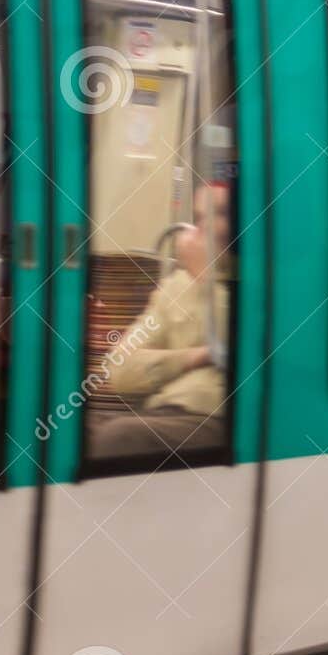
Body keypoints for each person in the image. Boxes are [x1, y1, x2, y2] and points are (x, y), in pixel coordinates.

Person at [93, 182, 230, 462]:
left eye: (221, 213)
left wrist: (205, 277)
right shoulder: (177, 286)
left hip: (215, 417)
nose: (205, 227)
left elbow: (235, 343)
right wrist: (195, 357)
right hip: (162, 412)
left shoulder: (261, 282)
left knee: (119, 438)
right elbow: (120, 369)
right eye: (201, 217)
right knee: (69, 433)